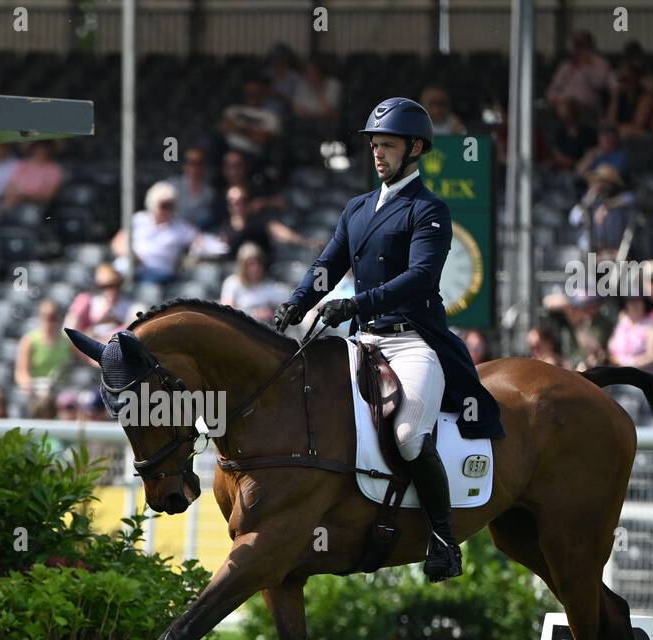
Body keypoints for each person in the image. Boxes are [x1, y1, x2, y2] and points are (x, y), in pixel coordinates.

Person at [274, 97, 505, 583]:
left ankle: (443, 540)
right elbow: (329, 265)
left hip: (412, 340)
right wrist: (296, 302)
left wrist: (357, 304)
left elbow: (422, 277)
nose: (378, 154)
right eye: (375, 145)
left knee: (407, 435)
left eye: (388, 145)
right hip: (363, 342)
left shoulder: (429, 209)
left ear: (415, 148)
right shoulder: (357, 208)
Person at [111, 181, 227, 284]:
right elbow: (117, 242)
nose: (168, 209)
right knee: (110, 275)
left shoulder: (180, 227)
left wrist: (219, 245)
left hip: (158, 274)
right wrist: (132, 255)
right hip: (130, 267)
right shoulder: (138, 219)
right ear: (152, 204)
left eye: (171, 205)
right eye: (164, 205)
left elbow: (201, 241)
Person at [14, 300, 74, 406]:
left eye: (52, 317)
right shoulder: (29, 341)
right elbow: (21, 373)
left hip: (59, 391)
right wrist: (30, 386)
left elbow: (88, 357)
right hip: (36, 391)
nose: (48, 321)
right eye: (45, 317)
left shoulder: (66, 341)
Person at [569, 163, 635, 257]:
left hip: (614, 251)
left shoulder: (620, 202)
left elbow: (631, 199)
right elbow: (574, 219)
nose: (601, 186)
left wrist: (608, 205)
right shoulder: (590, 202)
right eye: (598, 182)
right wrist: (588, 198)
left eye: (604, 182)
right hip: (590, 252)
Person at [546, 30, 612, 117]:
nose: (578, 49)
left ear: (590, 46)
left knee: (566, 108)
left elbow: (598, 84)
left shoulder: (600, 63)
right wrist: (554, 98)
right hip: (564, 103)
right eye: (576, 45)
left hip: (586, 107)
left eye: (582, 45)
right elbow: (554, 87)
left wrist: (587, 65)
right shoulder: (566, 65)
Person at [219, 242, 289, 322]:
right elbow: (227, 311)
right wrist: (253, 314)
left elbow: (285, 307)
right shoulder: (232, 283)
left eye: (259, 263)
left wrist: (272, 313)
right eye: (251, 264)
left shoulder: (270, 286)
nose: (256, 268)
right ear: (242, 266)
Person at [64, 263, 133, 341]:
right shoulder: (90, 302)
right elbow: (69, 329)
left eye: (115, 285)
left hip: (116, 346)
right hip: (88, 346)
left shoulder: (129, 306)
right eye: (105, 286)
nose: (110, 290)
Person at [608, 295, 653, 375]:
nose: (634, 305)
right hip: (616, 374)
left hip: (642, 377)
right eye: (630, 301)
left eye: (638, 301)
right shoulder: (622, 321)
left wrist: (629, 366)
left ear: (644, 303)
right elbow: (612, 347)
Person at [1, 140, 64, 208]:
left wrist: (25, 195)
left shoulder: (53, 169)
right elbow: (10, 186)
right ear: (32, 148)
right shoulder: (23, 164)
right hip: (16, 201)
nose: (41, 151)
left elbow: (49, 195)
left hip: (37, 205)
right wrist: (14, 195)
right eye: (38, 148)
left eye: (44, 148)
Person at [167, 147, 217, 230]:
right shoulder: (171, 185)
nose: (195, 167)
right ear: (185, 165)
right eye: (191, 163)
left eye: (199, 163)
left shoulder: (210, 193)